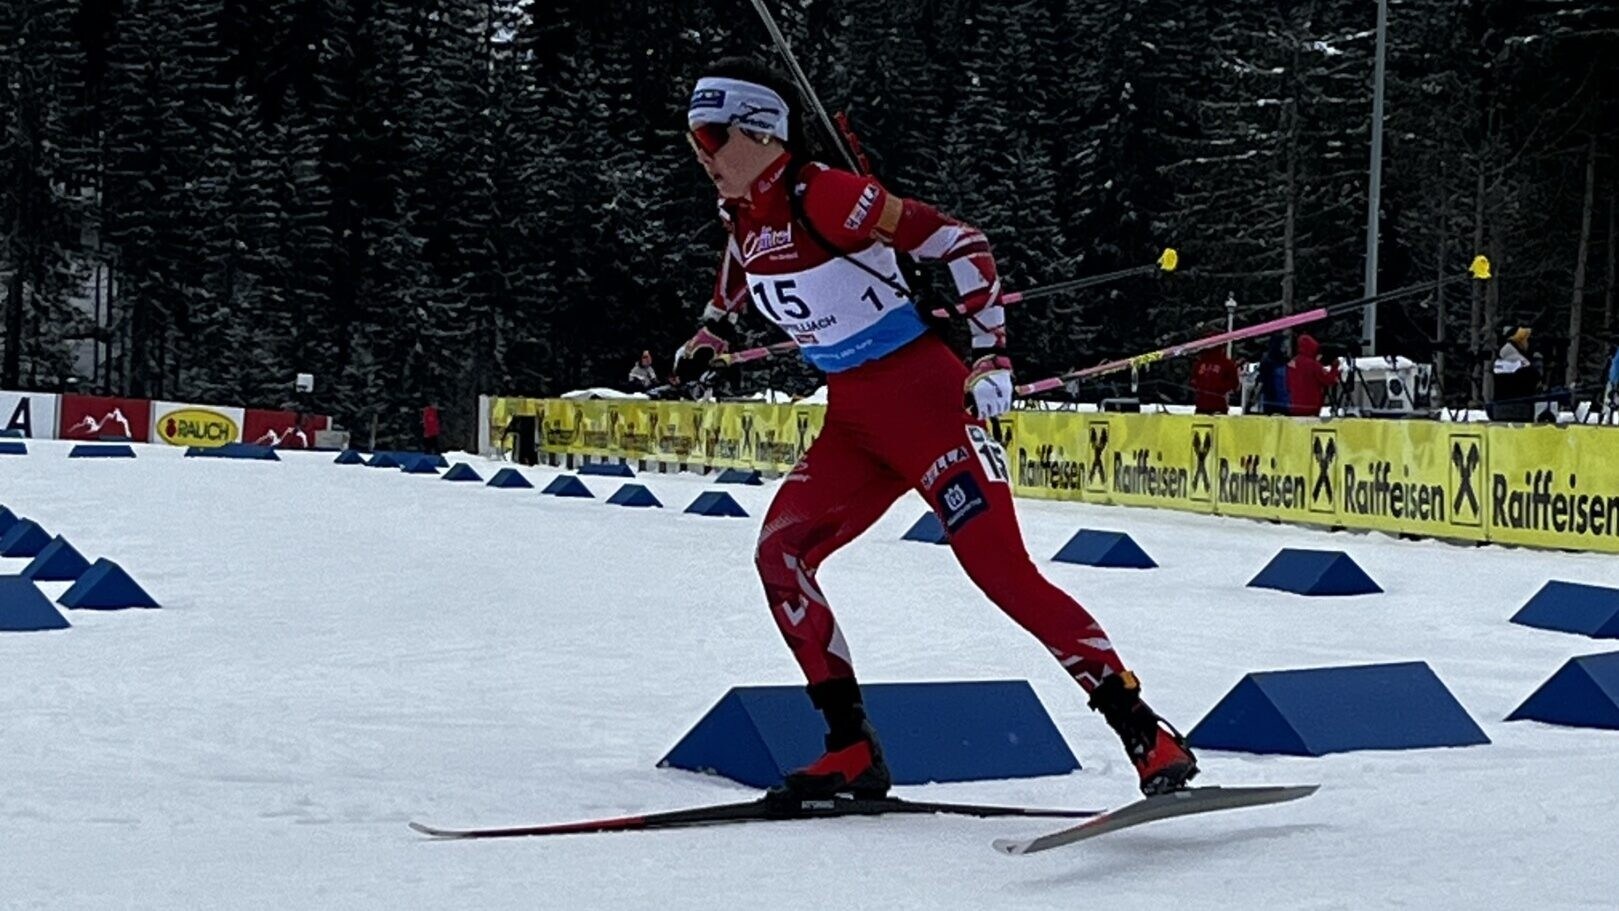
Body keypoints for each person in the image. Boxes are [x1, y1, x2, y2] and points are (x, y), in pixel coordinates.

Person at [678, 58, 1196, 802]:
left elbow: (960, 243)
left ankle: (1147, 733)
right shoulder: (744, 211)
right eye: (692, 137)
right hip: (853, 422)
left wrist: (989, 353)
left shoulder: (829, 194)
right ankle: (850, 748)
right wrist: (712, 331)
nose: (701, 153)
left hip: (928, 407)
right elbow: (741, 260)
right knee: (780, 554)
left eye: (711, 135)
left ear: (762, 133)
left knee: (1001, 572)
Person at [1490, 326, 1538, 423]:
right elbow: (1533, 380)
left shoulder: (1501, 359)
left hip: (1499, 411)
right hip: (1519, 413)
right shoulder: (1520, 362)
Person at [1287, 334, 1340, 417]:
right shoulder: (1314, 365)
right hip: (1311, 407)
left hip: (1294, 406)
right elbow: (1329, 380)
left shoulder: (1292, 362)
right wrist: (1335, 368)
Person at [1189, 346, 1239, 415]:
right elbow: (1193, 380)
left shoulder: (1227, 364)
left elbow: (1234, 383)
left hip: (1218, 406)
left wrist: (1220, 388)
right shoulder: (1200, 363)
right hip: (1202, 405)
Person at [1257, 336, 1291, 415]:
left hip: (1270, 402)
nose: (1286, 347)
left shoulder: (1266, 361)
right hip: (1284, 402)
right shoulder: (1287, 361)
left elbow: (1261, 382)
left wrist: (1252, 399)